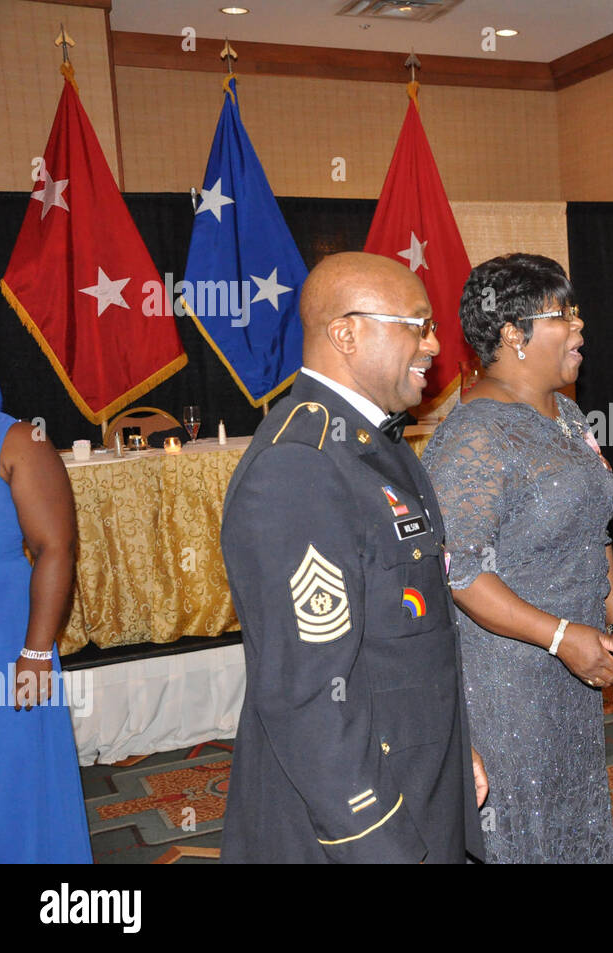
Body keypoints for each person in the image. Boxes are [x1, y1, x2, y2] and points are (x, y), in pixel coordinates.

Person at [220, 252, 486, 863]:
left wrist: (452, 747)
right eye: (415, 324)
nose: (434, 343)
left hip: (411, 771)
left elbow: (407, 640)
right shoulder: (302, 466)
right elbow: (308, 689)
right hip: (353, 815)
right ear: (346, 333)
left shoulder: (370, 441)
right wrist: (374, 837)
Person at [423, 253, 613, 864]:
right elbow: (458, 571)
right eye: (562, 316)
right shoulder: (475, 436)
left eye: (577, 315)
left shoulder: (565, 414)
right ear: (514, 334)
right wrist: (564, 637)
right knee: (524, 828)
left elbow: (593, 526)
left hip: (573, 655)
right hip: (509, 674)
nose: (579, 329)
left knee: (571, 814)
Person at [0, 409, 91, 863]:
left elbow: (55, 547)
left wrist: (34, 654)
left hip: (5, 633)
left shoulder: (17, 438)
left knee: (12, 772)